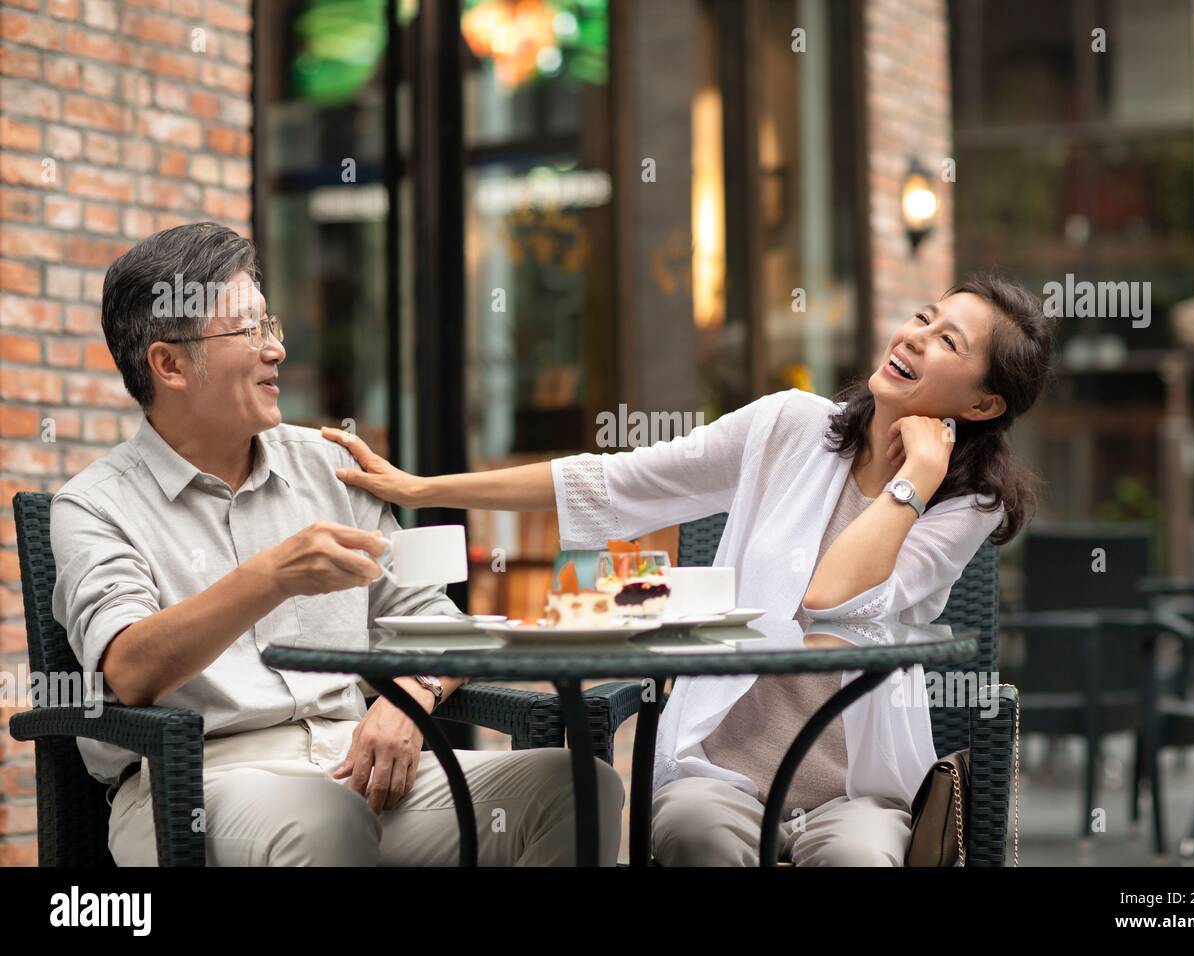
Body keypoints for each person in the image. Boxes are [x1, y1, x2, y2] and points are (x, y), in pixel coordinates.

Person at [324, 272, 1057, 866]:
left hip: (857, 791)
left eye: (948, 341)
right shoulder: (788, 427)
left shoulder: (967, 504)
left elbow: (832, 593)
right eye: (924, 318)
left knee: (859, 859)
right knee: (693, 834)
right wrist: (421, 488)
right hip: (724, 772)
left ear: (982, 402)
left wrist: (915, 481)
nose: (915, 337)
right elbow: (614, 482)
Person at [51, 222, 624, 866]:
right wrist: (273, 575)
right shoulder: (94, 505)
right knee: (325, 820)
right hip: (195, 783)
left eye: (271, 326)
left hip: (356, 764)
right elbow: (129, 672)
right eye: (247, 332)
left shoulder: (331, 468)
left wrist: (412, 695)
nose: (276, 350)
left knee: (578, 789)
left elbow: (434, 622)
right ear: (170, 365)